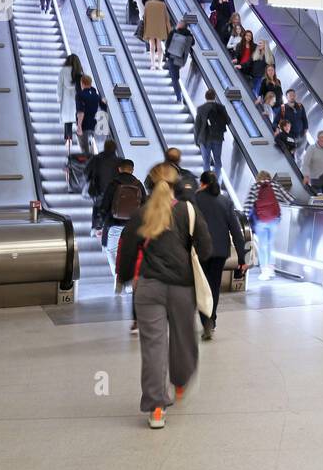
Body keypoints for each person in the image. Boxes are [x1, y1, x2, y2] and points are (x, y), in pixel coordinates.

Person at [115, 163, 213, 428]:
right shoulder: (187, 211)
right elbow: (206, 249)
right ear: (177, 185)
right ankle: (180, 381)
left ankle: (156, 408)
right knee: (184, 339)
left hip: (148, 288)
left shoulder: (141, 214)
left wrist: (125, 277)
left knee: (153, 348)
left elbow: (126, 251)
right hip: (181, 287)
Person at [193, 171, 247, 341]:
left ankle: (206, 321)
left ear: (202, 184)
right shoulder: (226, 201)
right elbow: (236, 231)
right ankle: (212, 320)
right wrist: (242, 258)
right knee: (214, 286)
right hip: (221, 251)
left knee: (202, 287)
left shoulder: (195, 200)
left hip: (201, 251)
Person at [243, 170, 293, 280]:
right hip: (274, 219)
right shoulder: (275, 185)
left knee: (263, 244)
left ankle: (264, 270)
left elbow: (248, 204)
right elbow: (289, 198)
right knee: (271, 243)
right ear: (269, 177)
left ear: (258, 178)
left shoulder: (255, 186)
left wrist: (244, 219)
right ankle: (271, 268)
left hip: (260, 220)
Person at [99, 157, 144, 256]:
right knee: (131, 252)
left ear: (119, 169)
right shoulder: (138, 185)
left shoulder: (113, 184)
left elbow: (104, 206)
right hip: (133, 225)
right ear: (132, 170)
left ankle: (116, 272)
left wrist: (102, 224)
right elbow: (145, 205)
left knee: (112, 251)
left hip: (114, 223)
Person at [85, 139, 121, 236]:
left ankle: (95, 227)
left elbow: (86, 172)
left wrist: (90, 179)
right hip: (114, 192)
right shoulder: (120, 161)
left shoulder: (96, 158)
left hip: (98, 190)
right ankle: (109, 230)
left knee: (97, 207)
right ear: (115, 149)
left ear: (105, 147)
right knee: (111, 209)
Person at [195, 89, 229, 176]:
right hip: (217, 137)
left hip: (204, 138)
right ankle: (216, 181)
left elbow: (197, 126)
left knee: (206, 160)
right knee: (217, 160)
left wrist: (196, 140)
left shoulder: (201, 108)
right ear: (215, 97)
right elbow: (228, 121)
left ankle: (207, 181)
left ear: (205, 97)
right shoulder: (221, 108)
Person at [74, 75, 107, 154]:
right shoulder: (96, 95)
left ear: (82, 83)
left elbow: (81, 111)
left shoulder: (80, 95)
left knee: (84, 151)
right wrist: (104, 102)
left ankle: (87, 163)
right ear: (90, 83)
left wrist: (79, 127)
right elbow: (104, 107)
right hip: (94, 125)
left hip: (84, 126)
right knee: (93, 148)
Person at [165, 19, 194, 103]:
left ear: (180, 25)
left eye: (178, 23)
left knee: (175, 78)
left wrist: (166, 55)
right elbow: (192, 43)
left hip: (172, 57)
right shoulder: (189, 36)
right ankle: (179, 95)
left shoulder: (174, 33)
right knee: (175, 75)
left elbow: (167, 44)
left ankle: (179, 97)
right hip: (181, 60)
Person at [57, 54, 82, 149]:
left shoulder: (63, 71)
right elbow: (81, 89)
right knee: (79, 119)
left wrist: (59, 97)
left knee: (67, 121)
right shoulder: (79, 74)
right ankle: (83, 138)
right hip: (76, 100)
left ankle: (68, 139)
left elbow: (59, 85)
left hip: (66, 99)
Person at [142, 0, 171, 70]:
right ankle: (160, 65)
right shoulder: (162, 5)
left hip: (150, 26)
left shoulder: (147, 4)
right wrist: (169, 30)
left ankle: (153, 65)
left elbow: (144, 16)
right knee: (159, 46)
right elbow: (167, 18)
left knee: (152, 46)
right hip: (160, 27)